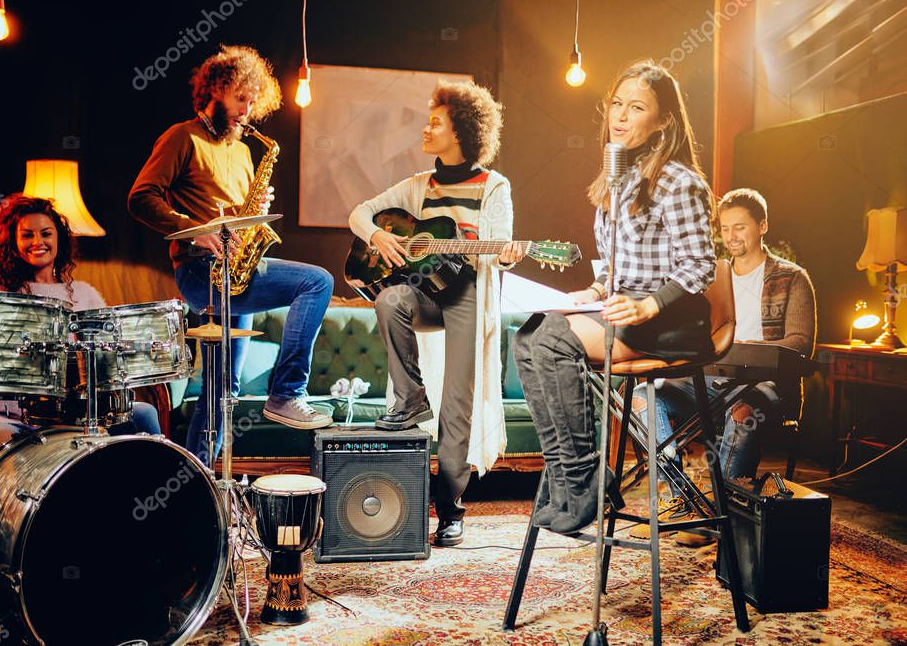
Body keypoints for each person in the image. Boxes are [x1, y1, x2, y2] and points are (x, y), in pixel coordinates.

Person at [512, 60, 717, 536]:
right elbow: (612, 265)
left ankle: (586, 480)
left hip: (670, 320)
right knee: (526, 338)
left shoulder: (679, 182)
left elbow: (700, 265)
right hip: (624, 308)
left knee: (549, 341)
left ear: (663, 120)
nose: (621, 116)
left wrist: (649, 304)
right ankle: (570, 477)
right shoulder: (617, 178)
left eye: (637, 107)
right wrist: (595, 290)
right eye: (617, 104)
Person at [128, 44, 334, 464]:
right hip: (201, 270)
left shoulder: (242, 151)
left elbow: (234, 220)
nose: (247, 110)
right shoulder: (181, 136)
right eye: (241, 98)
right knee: (318, 281)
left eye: (254, 102)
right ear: (216, 89)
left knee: (224, 388)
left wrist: (252, 214)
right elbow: (140, 198)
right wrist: (194, 232)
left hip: (234, 267)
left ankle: (193, 479)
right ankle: (286, 393)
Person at [349, 80, 524, 547]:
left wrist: (505, 254)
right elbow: (359, 212)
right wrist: (376, 237)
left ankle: (450, 509)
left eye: (435, 123)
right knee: (388, 300)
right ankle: (409, 400)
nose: (426, 129)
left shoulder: (494, 186)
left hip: (467, 294)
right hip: (425, 295)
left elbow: (500, 244)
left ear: (462, 132)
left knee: (458, 403)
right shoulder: (418, 186)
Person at [632, 188, 816, 544]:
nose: (731, 236)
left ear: (762, 225)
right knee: (642, 396)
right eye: (725, 228)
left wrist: (741, 350)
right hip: (710, 382)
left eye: (740, 227)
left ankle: (720, 512)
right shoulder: (711, 277)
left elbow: (799, 344)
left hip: (767, 388)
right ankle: (683, 501)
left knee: (742, 412)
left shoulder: (792, 277)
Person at [0, 195, 162, 462]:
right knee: (14, 460)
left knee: (144, 413)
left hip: (73, 418)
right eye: (27, 235)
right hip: (2, 417)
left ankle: (158, 498)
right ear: (12, 241)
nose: (38, 242)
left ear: (59, 239)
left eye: (46, 233)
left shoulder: (84, 294)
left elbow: (108, 362)